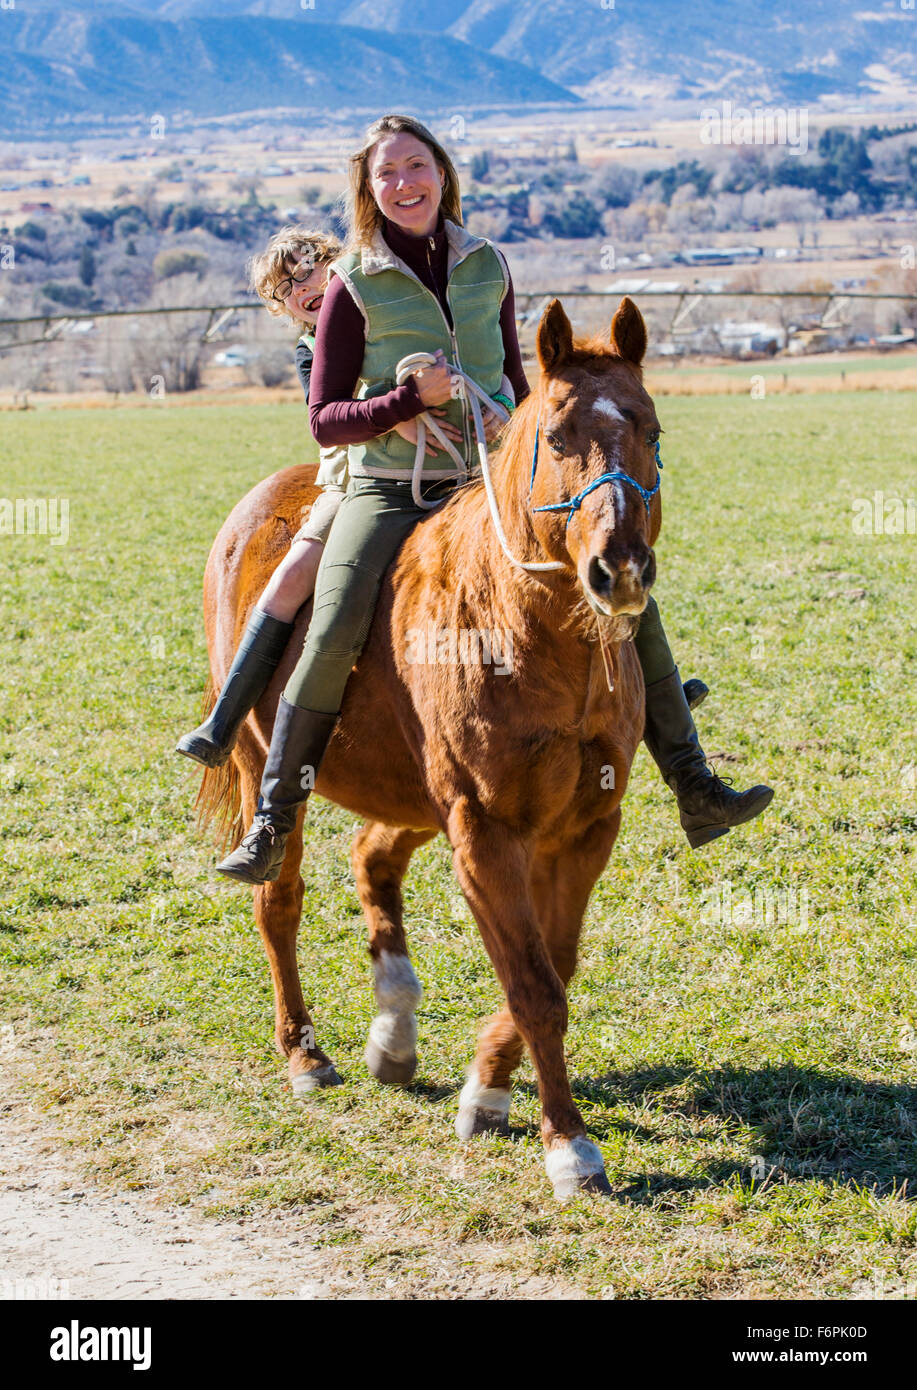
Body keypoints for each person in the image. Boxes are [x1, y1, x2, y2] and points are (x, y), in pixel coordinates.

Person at [217, 114, 771, 884]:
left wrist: (516, 419)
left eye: (417, 166)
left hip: (485, 477)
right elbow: (324, 417)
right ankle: (276, 813)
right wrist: (406, 401)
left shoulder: (485, 265)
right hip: (388, 486)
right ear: (368, 190)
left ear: (441, 173)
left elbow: (517, 376)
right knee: (336, 621)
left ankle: (693, 783)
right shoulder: (350, 284)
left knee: (622, 581)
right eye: (387, 174)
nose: (404, 183)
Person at [176, 226, 346, 768]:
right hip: (356, 469)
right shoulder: (309, 349)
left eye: (305, 270)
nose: (300, 288)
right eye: (284, 289)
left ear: (332, 262)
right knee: (293, 574)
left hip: (442, 455)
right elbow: (331, 424)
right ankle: (224, 721)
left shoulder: (384, 311)